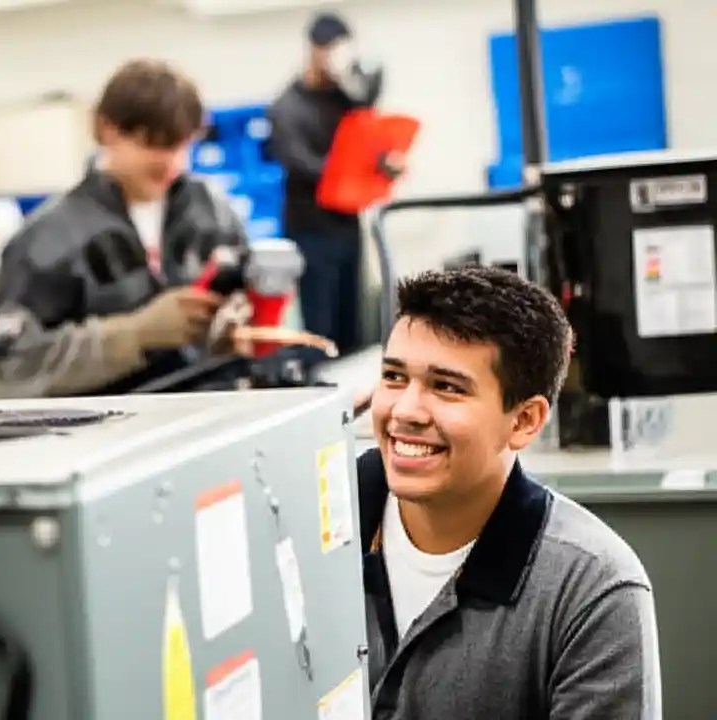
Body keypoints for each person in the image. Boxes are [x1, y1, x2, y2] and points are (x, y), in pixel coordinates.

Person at [356, 267, 661, 718]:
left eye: (446, 387)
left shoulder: (592, 589)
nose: (405, 410)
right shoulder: (316, 521)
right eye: (395, 378)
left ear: (524, 421)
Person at [0, 59, 248, 396]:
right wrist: (134, 335)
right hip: (111, 433)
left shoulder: (211, 211)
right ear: (107, 129)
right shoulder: (45, 242)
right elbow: (14, 362)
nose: (172, 163)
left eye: (182, 145)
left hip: (208, 413)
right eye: (154, 144)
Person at [268, 12, 399, 355]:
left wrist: (383, 164)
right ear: (313, 51)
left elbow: (367, 127)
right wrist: (348, 168)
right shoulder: (287, 107)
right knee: (321, 329)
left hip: (346, 223)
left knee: (353, 323)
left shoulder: (344, 99)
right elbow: (301, 165)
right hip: (310, 229)